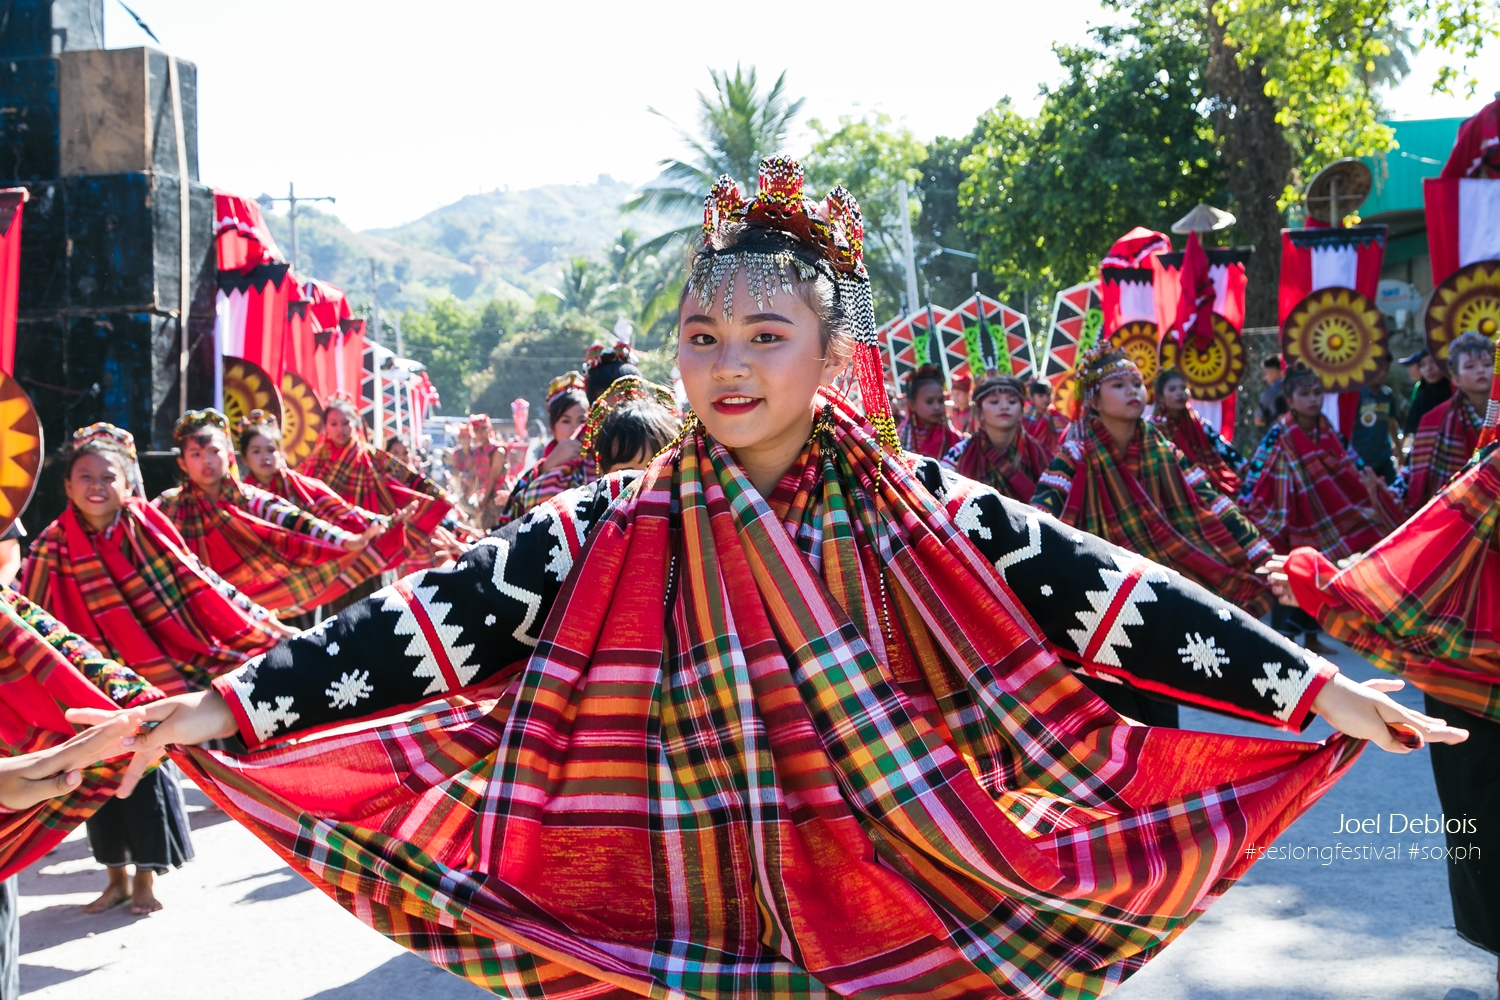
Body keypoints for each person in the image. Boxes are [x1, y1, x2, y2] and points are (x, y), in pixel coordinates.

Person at [83, 160, 1461, 998]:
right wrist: (226, 711)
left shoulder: (918, 508)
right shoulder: (609, 519)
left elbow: (1103, 595)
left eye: (763, 332)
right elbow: (432, 622)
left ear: (829, 358)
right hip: (670, 898)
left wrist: (1317, 694)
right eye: (700, 334)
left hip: (905, 886)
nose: (726, 365)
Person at [1265, 348, 1500, 980]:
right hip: (1465, 633)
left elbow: (1446, 526)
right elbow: (1436, 514)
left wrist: (1325, 584)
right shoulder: (1458, 438)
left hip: (1467, 644)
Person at [18, 425, 288, 915]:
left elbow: (196, 583)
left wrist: (263, 627)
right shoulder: (50, 545)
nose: (97, 485)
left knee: (147, 775)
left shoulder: (144, 524)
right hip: (87, 683)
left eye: (108, 476)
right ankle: (114, 878)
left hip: (152, 677)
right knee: (94, 778)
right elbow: (27, 613)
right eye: (85, 476)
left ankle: (146, 880)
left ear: (127, 484)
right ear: (67, 485)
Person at [1030, 348, 1275, 729]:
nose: (1133, 391)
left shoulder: (1162, 448)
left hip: (1158, 585)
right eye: (1118, 385)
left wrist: (1262, 555)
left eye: (1137, 383)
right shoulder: (1077, 450)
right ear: (1093, 400)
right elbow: (1044, 505)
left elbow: (1210, 498)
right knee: (1112, 707)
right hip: (1101, 593)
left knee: (1161, 702)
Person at [154, 410, 389, 615]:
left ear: (228, 455)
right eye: (195, 454)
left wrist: (348, 541)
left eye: (214, 451)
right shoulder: (169, 507)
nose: (206, 461)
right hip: (199, 608)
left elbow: (296, 520)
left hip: (266, 600)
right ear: (183, 463)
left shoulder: (248, 497)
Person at [1239, 366, 1399, 648]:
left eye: (1317, 393)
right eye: (1305, 394)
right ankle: (1280, 639)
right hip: (1289, 513)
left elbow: (1350, 461)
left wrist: (1373, 489)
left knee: (1317, 570)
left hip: (1324, 511)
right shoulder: (1279, 433)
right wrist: (1247, 504)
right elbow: (1258, 471)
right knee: (1286, 571)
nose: (1313, 399)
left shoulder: (1326, 428)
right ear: (1290, 400)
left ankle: (1312, 637)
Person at [236, 414, 418, 610]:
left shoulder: (303, 485)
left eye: (271, 450)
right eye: (256, 451)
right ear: (244, 457)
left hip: (311, 572)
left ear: (280, 453)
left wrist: (383, 523)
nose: (265, 456)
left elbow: (343, 512)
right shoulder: (239, 500)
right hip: (265, 583)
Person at [299, 397, 461, 570]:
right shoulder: (316, 461)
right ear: (325, 427)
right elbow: (301, 493)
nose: (340, 429)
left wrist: (439, 495)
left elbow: (406, 476)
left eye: (345, 422)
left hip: (370, 533)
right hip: (331, 535)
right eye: (334, 424)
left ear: (355, 423)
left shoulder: (370, 455)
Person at [1402, 332, 1492, 513]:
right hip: (1452, 510)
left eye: (1488, 364)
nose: (1481, 370)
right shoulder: (1433, 420)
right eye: (1470, 366)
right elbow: (1417, 472)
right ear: (1455, 379)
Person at [495, 371, 591, 523]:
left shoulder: (598, 462)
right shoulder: (540, 466)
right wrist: (548, 465)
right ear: (552, 427)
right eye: (566, 421)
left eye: (581, 421)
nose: (574, 428)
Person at [939, 375, 1051, 500]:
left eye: (1012, 402)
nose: (1004, 407)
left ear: (1021, 411)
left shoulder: (1040, 455)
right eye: (994, 402)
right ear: (980, 412)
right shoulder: (959, 454)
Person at [1150, 368, 1246, 496]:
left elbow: (1222, 447)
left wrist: (1246, 467)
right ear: (1161, 397)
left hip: (1203, 480)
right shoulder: (1153, 428)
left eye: (1183, 388)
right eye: (1172, 389)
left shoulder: (1199, 423)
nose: (1180, 393)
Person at [1350, 355, 1401, 483]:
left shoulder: (1387, 394)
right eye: (1379, 368)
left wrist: (1399, 449)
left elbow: (1391, 423)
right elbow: (1348, 425)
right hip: (1361, 458)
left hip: (1384, 457)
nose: (1383, 373)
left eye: (1387, 369)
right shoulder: (1357, 394)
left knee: (1391, 492)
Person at [896, 363, 962, 458]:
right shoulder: (901, 436)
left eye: (940, 401)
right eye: (929, 402)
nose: (937, 407)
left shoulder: (953, 437)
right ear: (912, 405)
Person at [1403, 347, 1454, 438]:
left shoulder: (1457, 393)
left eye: (1433, 362)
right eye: (1423, 365)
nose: (1428, 368)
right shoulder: (1420, 398)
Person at [1023, 378, 1068, 456]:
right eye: (1040, 396)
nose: (1045, 399)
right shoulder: (1025, 417)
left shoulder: (1059, 417)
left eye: (1048, 395)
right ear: (1031, 397)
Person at [1254, 353, 1287, 429]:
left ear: (1274, 373)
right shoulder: (1294, 389)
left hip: (1277, 434)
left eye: (1266, 373)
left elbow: (1257, 420)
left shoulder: (1268, 394)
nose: (1264, 378)